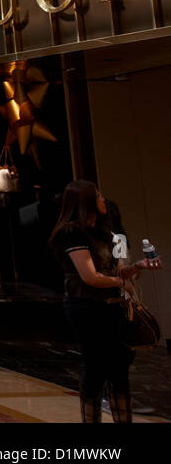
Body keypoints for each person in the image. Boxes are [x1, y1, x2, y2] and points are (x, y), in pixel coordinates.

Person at [49, 179, 161, 423]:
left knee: (120, 370)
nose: (103, 201)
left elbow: (118, 270)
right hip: (86, 307)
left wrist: (137, 267)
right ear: (86, 201)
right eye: (98, 196)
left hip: (112, 305)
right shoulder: (71, 232)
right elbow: (90, 277)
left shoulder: (107, 231)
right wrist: (121, 283)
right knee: (96, 368)